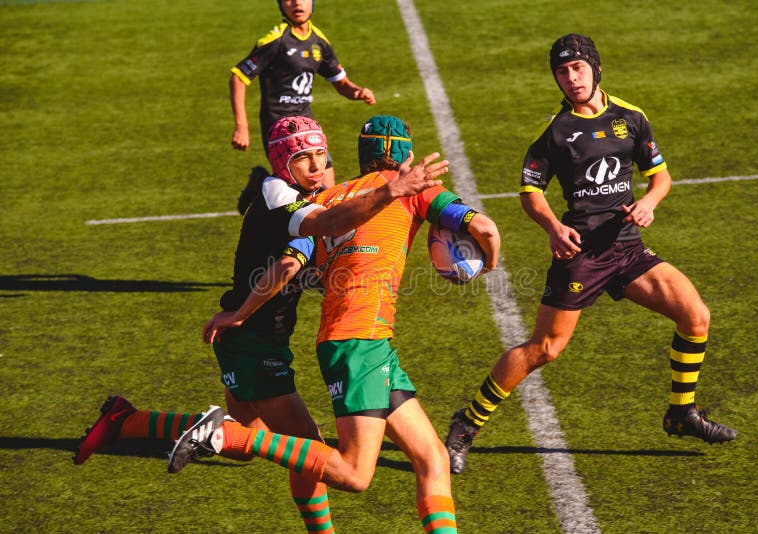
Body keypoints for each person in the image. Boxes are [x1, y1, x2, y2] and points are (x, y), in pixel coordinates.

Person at [75, 115, 445, 533]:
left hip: (248, 341)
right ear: (283, 162)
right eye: (303, 158)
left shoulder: (300, 196)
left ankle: (127, 420)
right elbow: (291, 261)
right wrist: (392, 190)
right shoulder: (281, 198)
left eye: (321, 154)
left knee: (243, 445)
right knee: (308, 450)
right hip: (252, 340)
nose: (317, 166)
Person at [169, 115, 501, 533]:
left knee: (432, 457)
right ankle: (226, 436)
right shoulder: (412, 189)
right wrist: (488, 264)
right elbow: (484, 228)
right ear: (408, 155)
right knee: (354, 474)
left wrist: (241, 311)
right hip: (361, 340)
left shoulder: (330, 201)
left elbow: (289, 263)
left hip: (356, 340)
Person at [444, 33, 737, 475]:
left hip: (628, 248)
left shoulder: (631, 118)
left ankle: (681, 414)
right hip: (580, 254)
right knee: (544, 348)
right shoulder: (555, 131)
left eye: (578, 68)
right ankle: (465, 425)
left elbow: (660, 176)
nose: (571, 78)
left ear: (596, 69)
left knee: (696, 316)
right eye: (562, 72)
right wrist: (553, 227)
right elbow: (530, 192)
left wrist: (649, 203)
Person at [232, 0, 376, 213]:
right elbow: (238, 77)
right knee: (307, 195)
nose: (297, 3)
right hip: (280, 128)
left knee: (326, 193)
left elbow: (341, 82)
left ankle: (260, 182)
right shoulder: (275, 40)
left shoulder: (318, 41)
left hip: (308, 127)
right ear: (281, 5)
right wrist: (241, 126)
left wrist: (357, 91)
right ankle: (264, 187)